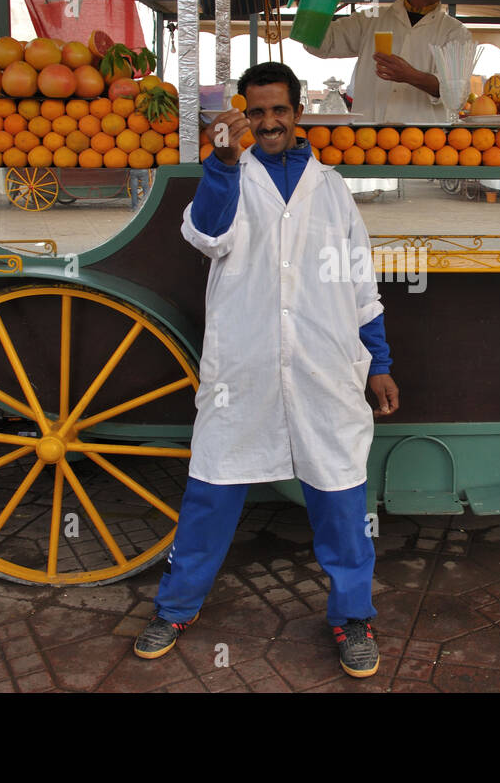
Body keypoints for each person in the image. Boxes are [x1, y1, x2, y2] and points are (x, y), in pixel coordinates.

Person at [133, 62, 400, 679]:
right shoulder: (230, 177)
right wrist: (222, 164)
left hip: (324, 367)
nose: (269, 123)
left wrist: (378, 363)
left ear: (297, 111)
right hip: (244, 369)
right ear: (243, 116)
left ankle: (352, 618)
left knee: (339, 496)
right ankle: (175, 608)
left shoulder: (331, 189)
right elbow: (204, 235)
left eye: (279, 110)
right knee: (212, 488)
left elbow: (362, 285)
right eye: (257, 113)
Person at [301, 0, 476, 126]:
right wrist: (310, 5)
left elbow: (458, 95)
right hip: (368, 143)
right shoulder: (371, 19)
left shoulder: (456, 33)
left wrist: (411, 75)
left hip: (424, 148)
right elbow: (322, 44)